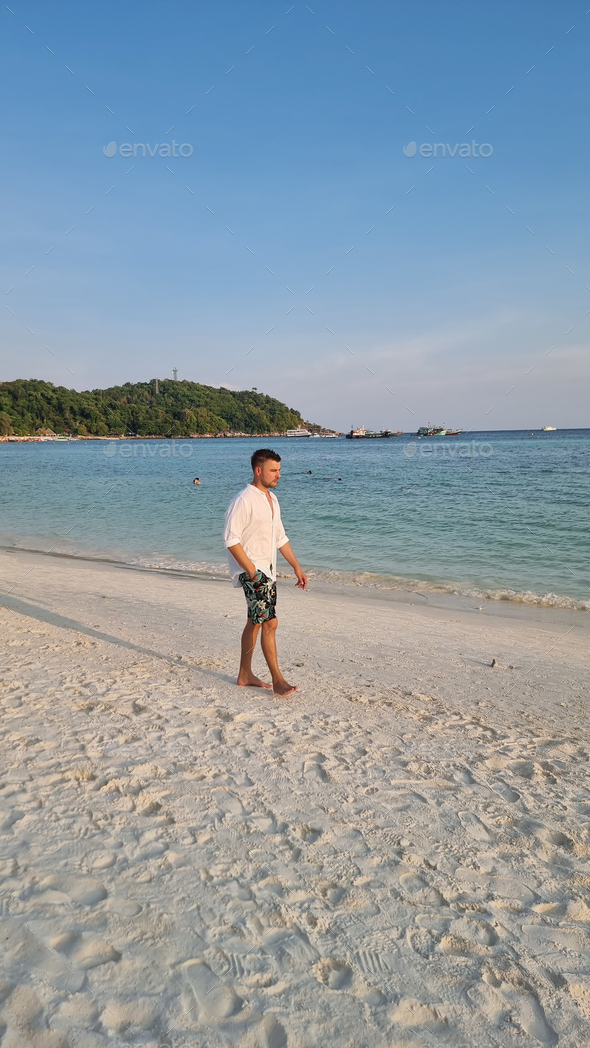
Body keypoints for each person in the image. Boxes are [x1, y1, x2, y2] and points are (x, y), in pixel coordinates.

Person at [224, 448, 307, 696]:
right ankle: (278, 680)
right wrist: (251, 571)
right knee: (270, 622)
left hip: (268, 574)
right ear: (258, 470)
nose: (278, 475)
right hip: (254, 573)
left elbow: (280, 538)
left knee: (256, 623)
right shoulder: (243, 500)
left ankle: (245, 674)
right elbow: (231, 539)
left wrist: (296, 566)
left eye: (279, 470)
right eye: (273, 470)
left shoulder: (272, 500)